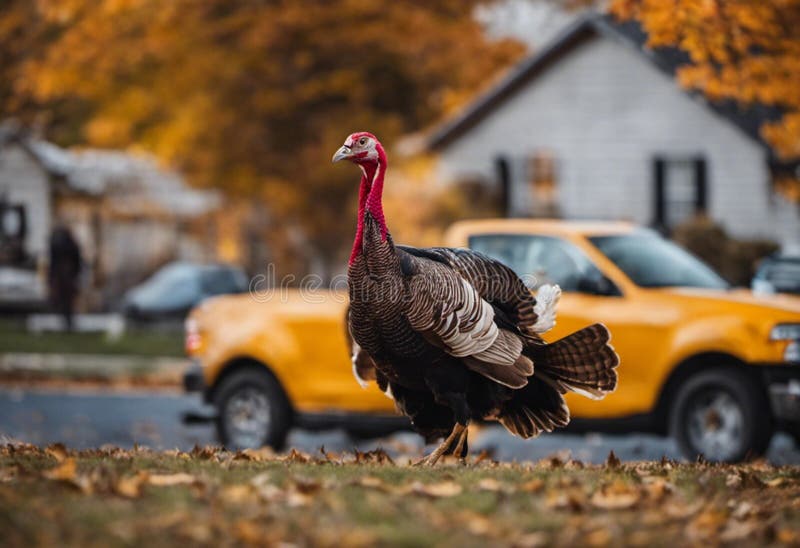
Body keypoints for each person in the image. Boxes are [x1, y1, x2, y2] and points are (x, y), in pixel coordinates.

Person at [48, 225, 82, 331]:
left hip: (65, 276)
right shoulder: (70, 244)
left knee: (66, 301)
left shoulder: (60, 244)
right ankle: (67, 322)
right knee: (66, 301)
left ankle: (67, 322)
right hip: (66, 276)